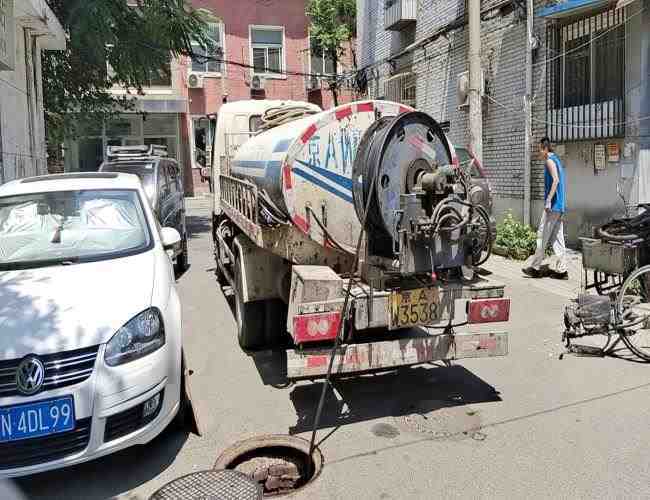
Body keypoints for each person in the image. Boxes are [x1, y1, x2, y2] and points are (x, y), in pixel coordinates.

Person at [522, 137, 568, 279]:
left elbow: (556, 181)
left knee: (542, 235)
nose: (539, 152)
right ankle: (562, 270)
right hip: (559, 206)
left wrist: (548, 200)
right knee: (557, 238)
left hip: (553, 206)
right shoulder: (557, 160)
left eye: (540, 149)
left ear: (545, 148)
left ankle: (535, 268)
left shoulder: (549, 161)